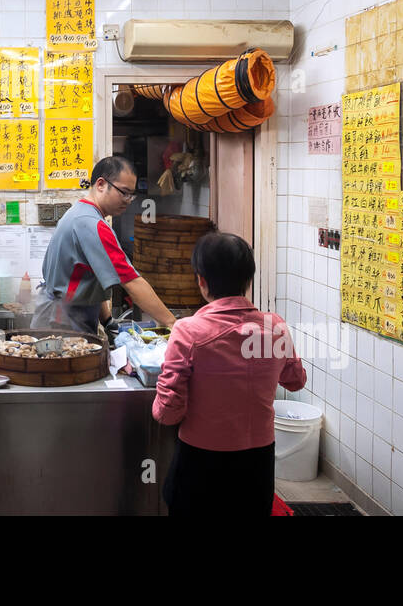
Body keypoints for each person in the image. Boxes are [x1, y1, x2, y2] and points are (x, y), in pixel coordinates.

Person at [152, 231, 307, 516]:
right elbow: (296, 381)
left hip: (201, 461)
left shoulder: (188, 331)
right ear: (248, 280)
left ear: (201, 280)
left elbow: (169, 411)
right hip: (257, 462)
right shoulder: (275, 327)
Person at [33, 155, 177, 334]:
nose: (127, 200)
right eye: (123, 192)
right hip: (62, 322)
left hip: (63, 316)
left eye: (131, 195)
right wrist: (172, 323)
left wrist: (107, 320)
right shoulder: (92, 224)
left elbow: (89, 277)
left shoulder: (80, 213)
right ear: (100, 184)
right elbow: (131, 281)